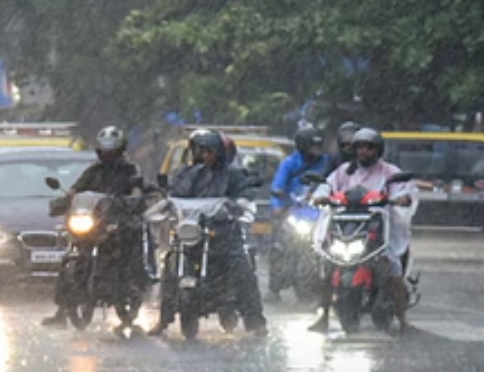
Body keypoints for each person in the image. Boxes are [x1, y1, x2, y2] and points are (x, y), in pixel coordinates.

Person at [148, 130, 269, 337]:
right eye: (200, 151)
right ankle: (163, 319)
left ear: (219, 151)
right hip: (192, 232)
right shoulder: (190, 174)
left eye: (209, 151)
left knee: (243, 270)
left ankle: (255, 321)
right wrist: (167, 204)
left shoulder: (233, 174)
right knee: (170, 266)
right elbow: (176, 193)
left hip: (224, 234)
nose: (205, 156)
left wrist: (238, 205)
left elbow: (244, 195)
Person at [309, 128, 417, 334]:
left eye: (369, 147)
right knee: (326, 265)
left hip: (377, 228)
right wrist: (320, 196)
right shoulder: (344, 171)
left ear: (378, 150)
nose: (363, 151)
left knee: (393, 266)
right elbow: (327, 186)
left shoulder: (389, 172)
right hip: (346, 226)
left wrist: (401, 198)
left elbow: (402, 190)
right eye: (360, 147)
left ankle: (403, 320)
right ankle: (323, 316)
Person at [42, 126, 147, 327]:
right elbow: (76, 190)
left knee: (128, 244)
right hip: (93, 224)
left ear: (120, 150)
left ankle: (129, 288)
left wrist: (131, 201)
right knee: (69, 257)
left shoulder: (131, 170)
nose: (108, 155)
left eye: (112, 151)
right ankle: (62, 310)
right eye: (104, 151)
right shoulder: (93, 171)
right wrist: (63, 201)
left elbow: (137, 192)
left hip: (117, 222)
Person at [267, 127, 331, 300]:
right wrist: (277, 206)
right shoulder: (289, 163)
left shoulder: (327, 162)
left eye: (318, 146)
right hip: (294, 212)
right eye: (312, 146)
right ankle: (274, 287)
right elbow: (277, 188)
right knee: (281, 247)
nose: (316, 150)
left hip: (321, 214)